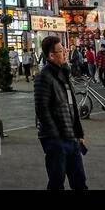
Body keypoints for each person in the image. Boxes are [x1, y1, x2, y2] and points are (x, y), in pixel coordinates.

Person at [34, 35, 87, 190]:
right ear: (51, 55)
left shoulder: (64, 73)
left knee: (79, 181)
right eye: (61, 51)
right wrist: (55, 136)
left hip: (71, 137)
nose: (65, 53)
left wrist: (79, 133)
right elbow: (42, 110)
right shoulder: (43, 77)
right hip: (56, 139)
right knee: (57, 182)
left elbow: (72, 107)